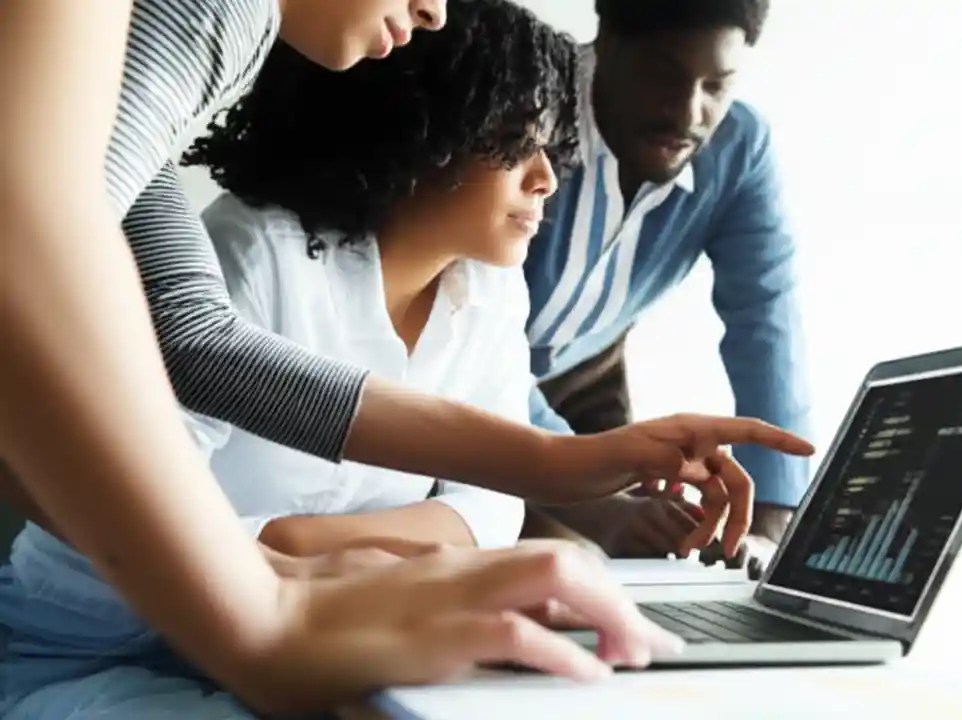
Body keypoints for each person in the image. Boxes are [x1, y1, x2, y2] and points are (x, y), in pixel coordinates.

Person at [0, 0, 813, 715]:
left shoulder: (489, 288)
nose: (433, 10)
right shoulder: (224, 22)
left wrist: (561, 464)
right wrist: (278, 594)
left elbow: (192, 339)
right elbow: (41, 281)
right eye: (518, 143)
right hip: (102, 647)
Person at [185, 0, 581, 559]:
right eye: (516, 143)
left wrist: (294, 543)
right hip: (144, 609)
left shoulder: (492, 291)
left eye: (549, 147)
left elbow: (493, 507)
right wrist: (301, 551)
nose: (545, 180)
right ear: (423, 130)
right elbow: (143, 503)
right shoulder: (255, 254)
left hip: (326, 606)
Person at [523, 0, 809, 575]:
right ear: (607, 42)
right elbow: (464, 336)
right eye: (663, 76)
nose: (688, 113)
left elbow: (765, 322)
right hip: (446, 384)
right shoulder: (521, 108)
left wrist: (770, 526)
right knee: (544, 564)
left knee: (635, 575)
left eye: (716, 85)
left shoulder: (739, 148)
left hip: (584, 386)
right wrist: (593, 502)